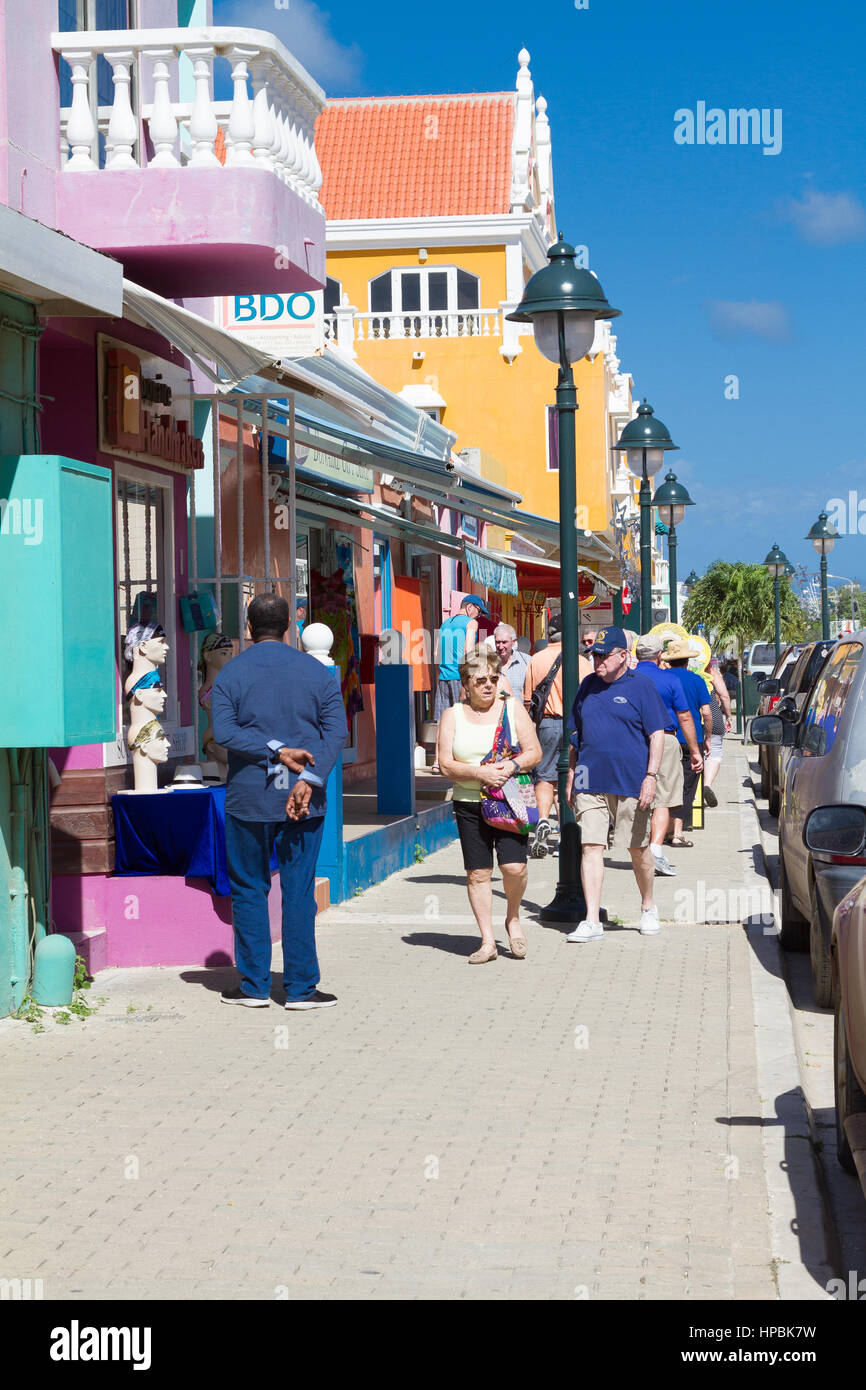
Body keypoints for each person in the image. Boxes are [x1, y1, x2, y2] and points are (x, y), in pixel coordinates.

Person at [211, 593, 347, 1009]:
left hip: (250, 798)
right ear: (290, 627)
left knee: (250, 889)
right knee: (299, 890)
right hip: (303, 800)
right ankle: (301, 989)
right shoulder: (317, 673)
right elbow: (336, 732)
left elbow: (224, 732)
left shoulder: (230, 674)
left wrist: (274, 750)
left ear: (249, 628)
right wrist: (307, 775)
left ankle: (253, 986)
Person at [436, 649, 541, 962]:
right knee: (478, 874)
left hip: (508, 800)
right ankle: (487, 941)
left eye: (493, 679)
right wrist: (477, 772)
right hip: (469, 803)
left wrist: (510, 767)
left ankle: (513, 917)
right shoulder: (452, 715)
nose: (488, 685)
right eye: (480, 680)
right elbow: (444, 764)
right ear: (466, 683)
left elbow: (534, 752)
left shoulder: (511, 710)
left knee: (514, 867)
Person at [566, 626, 668, 941]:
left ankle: (648, 906)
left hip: (632, 780)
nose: (597, 660)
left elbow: (657, 735)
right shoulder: (587, 685)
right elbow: (576, 735)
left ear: (623, 656)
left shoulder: (642, 687)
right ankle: (592, 919)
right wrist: (572, 774)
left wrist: (651, 777)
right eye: (594, 654)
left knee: (637, 848)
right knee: (591, 847)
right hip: (590, 778)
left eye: (603, 655)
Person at [523, 613, 591, 857]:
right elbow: (589, 696)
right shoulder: (581, 661)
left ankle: (543, 819)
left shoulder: (536, 659)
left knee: (544, 777)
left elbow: (528, 700)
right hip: (575, 724)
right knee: (571, 775)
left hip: (547, 724)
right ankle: (566, 833)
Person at [634, 635, 702, 875]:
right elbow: (684, 717)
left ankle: (638, 848)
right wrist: (695, 750)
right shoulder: (669, 679)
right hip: (666, 739)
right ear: (659, 656)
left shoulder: (628, 678)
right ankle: (655, 850)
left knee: (636, 797)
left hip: (634, 741)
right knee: (662, 798)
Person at [431, 595, 490, 772]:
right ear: (471, 607)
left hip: (443, 677)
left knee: (442, 720)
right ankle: (462, 760)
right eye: (479, 612)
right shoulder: (470, 624)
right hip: (460, 677)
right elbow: (468, 651)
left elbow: (435, 654)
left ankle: (436, 762)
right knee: (464, 718)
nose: (478, 616)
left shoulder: (444, 624)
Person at [665, 639, 713, 846]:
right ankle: (677, 833)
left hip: (667, 738)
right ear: (687, 661)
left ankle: (662, 830)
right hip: (691, 739)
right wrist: (708, 738)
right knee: (686, 787)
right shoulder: (696, 680)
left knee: (665, 784)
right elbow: (707, 713)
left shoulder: (662, 679)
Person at [702, 657, 732, 806]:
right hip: (713, 716)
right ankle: (707, 784)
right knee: (714, 753)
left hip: (691, 718)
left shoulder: (683, 672)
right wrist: (729, 716)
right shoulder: (711, 673)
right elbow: (725, 696)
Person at [494, 622, 529, 701]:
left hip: (519, 711)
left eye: (504, 642)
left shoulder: (526, 662)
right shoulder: (487, 662)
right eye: (497, 642)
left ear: (513, 642)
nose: (500, 646)